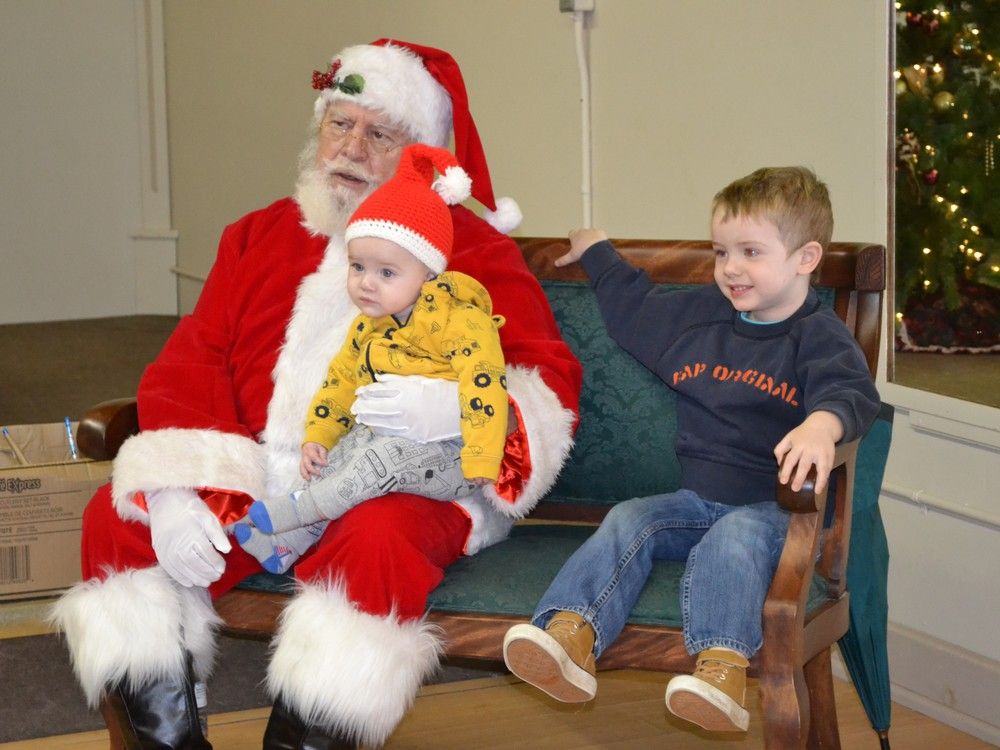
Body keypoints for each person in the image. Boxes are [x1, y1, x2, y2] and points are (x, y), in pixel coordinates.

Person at [52, 40, 582, 749]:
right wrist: (178, 489)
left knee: (377, 542)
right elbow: (193, 360)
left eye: (380, 133)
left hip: (404, 479)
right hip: (268, 476)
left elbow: (544, 375)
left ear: (419, 154)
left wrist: (457, 413)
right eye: (340, 123)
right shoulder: (255, 236)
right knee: (118, 520)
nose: (352, 147)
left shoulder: (471, 248)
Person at [502, 166, 880, 734]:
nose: (730, 267)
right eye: (721, 250)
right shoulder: (701, 316)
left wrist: (821, 426)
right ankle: (570, 637)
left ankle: (721, 672)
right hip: (694, 503)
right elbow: (636, 307)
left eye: (751, 251)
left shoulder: (817, 335)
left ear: (804, 258)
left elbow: (851, 391)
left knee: (731, 539)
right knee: (630, 517)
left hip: (775, 515)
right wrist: (597, 250)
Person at [236, 143, 510, 574]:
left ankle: (299, 510)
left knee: (377, 463)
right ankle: (289, 542)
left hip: (454, 456)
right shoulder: (369, 326)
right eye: (357, 266)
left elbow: (485, 385)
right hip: (389, 441)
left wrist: (479, 457)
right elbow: (340, 381)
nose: (366, 284)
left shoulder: (462, 321)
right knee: (346, 455)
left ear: (428, 274)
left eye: (386, 273)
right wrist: (320, 436)